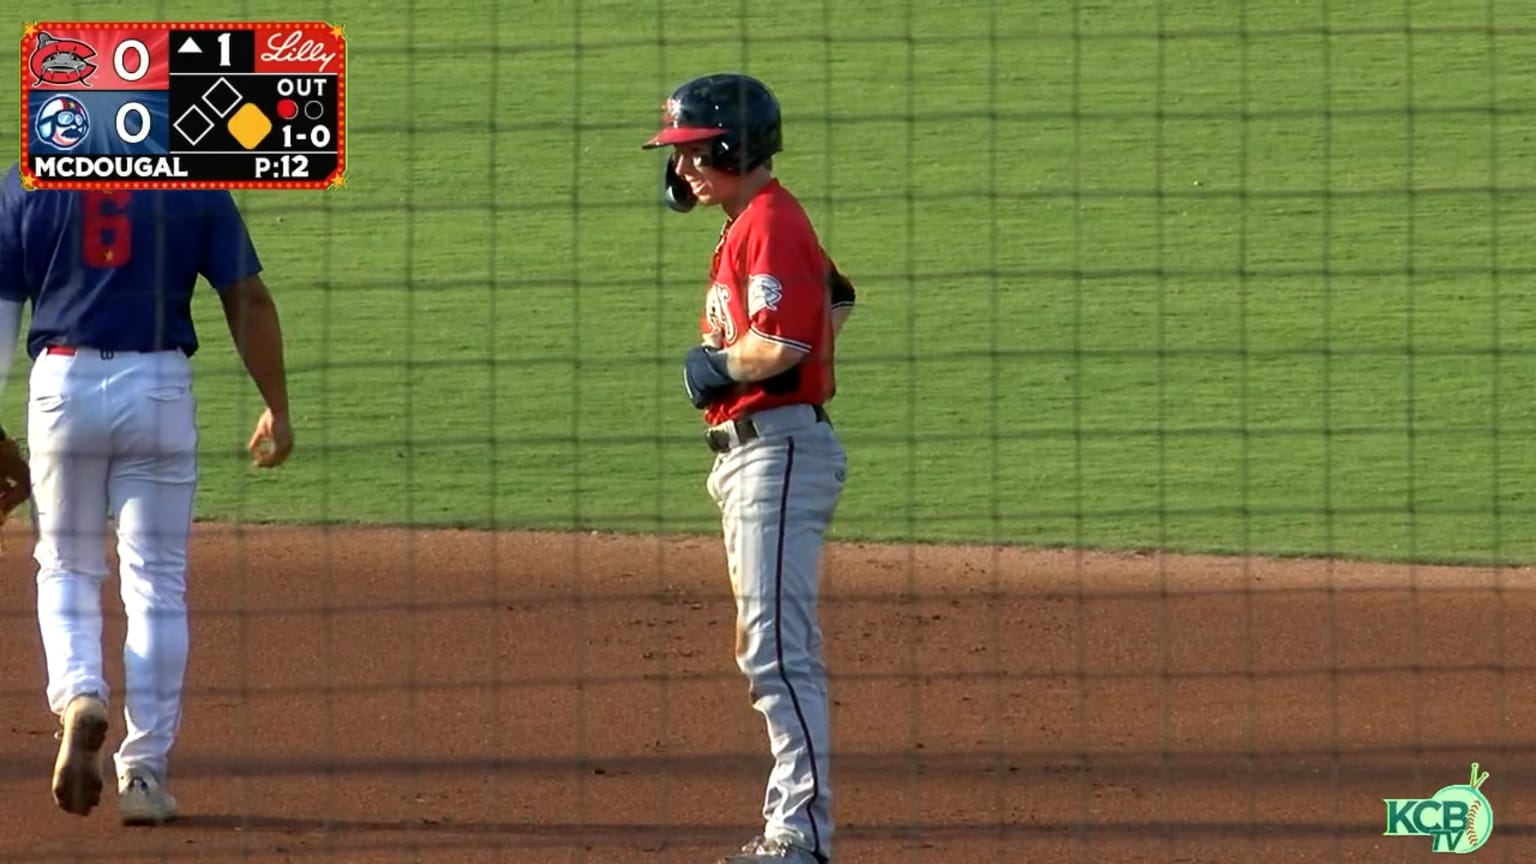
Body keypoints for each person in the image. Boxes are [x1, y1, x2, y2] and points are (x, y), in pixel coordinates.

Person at [0, 163, 294, 825]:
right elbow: (247, 297)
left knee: (67, 566)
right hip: (157, 387)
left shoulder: (28, 180)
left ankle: (79, 694)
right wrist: (277, 407)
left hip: (61, 390)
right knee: (156, 582)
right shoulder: (189, 179)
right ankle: (144, 774)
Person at [641, 73, 857, 864]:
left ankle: (799, 839)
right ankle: (794, 832)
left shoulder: (768, 220)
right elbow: (835, 299)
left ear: (734, 143)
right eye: (678, 155)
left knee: (775, 649)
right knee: (768, 646)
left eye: (694, 152)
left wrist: (721, 367)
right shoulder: (756, 221)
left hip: (779, 449)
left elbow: (785, 344)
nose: (683, 169)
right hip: (763, 452)